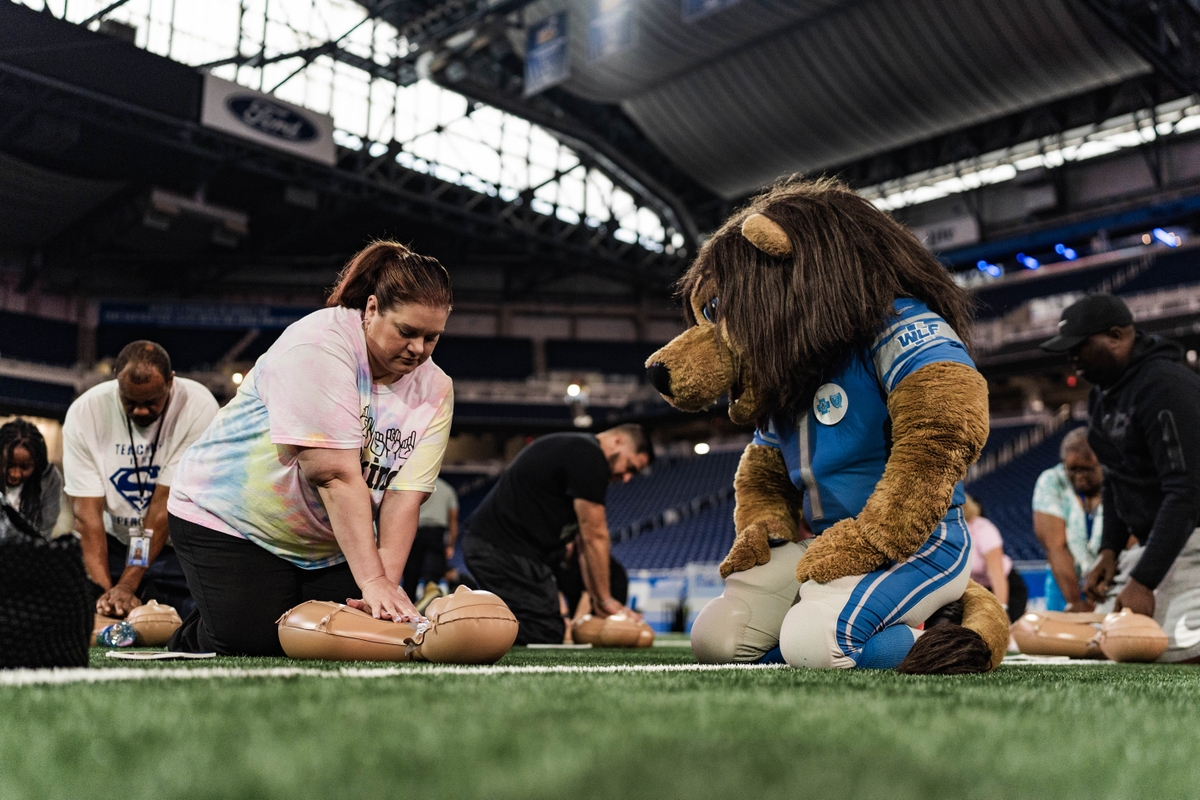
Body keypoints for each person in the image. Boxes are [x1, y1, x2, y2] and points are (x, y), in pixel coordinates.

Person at [166, 241, 455, 656]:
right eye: (407, 332)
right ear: (372, 309)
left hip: (325, 544)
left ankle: (229, 609)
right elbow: (333, 475)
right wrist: (370, 582)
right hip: (232, 521)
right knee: (256, 643)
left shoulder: (437, 389)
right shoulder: (319, 346)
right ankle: (195, 628)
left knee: (342, 640)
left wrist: (381, 589)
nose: (418, 350)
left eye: (432, 337)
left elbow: (403, 498)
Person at [1041, 293, 1200, 662]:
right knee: (1089, 643)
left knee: (1161, 651)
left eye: (1080, 346)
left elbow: (1187, 492)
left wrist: (1144, 581)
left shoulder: (1166, 386)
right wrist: (1110, 551)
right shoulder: (1102, 395)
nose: (1072, 357)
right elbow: (1115, 477)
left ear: (1116, 336)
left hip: (1193, 540)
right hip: (1157, 546)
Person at [63, 341, 218, 619]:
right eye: (130, 402)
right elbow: (87, 516)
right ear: (116, 383)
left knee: (199, 620)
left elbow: (162, 510)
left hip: (173, 546)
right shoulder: (85, 412)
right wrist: (105, 598)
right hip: (109, 546)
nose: (140, 411)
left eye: (151, 402)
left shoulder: (197, 406)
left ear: (171, 382)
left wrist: (127, 584)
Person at [463, 425, 652, 645]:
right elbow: (595, 537)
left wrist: (597, 598)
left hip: (522, 550)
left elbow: (583, 544)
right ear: (617, 441)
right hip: (500, 549)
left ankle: (464, 615)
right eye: (630, 467)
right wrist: (605, 599)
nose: (627, 478)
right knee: (544, 630)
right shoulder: (589, 455)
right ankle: (451, 621)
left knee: (611, 577)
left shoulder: (583, 455)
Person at [1032, 427, 1104, 611]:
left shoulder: (1118, 479)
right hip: (1064, 584)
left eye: (1087, 469)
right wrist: (1074, 602)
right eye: (1073, 469)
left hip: (1110, 582)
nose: (1079, 475)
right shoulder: (1051, 481)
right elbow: (1055, 546)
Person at [964, 495, 1026, 622]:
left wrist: (1001, 610)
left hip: (1005, 588)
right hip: (979, 591)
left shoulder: (983, 529)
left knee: (1000, 629)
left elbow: (997, 574)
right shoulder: (951, 532)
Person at [0, 418, 62, 539]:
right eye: (9, 465)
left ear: (36, 463)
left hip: (27, 552)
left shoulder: (49, 479)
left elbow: (44, 531)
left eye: (25, 467)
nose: (15, 474)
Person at [401, 475, 459, 602]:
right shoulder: (447, 489)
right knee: (432, 580)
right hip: (435, 535)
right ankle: (430, 611)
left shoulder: (415, 487)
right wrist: (451, 545)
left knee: (410, 577)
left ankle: (405, 612)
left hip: (414, 532)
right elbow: (453, 520)